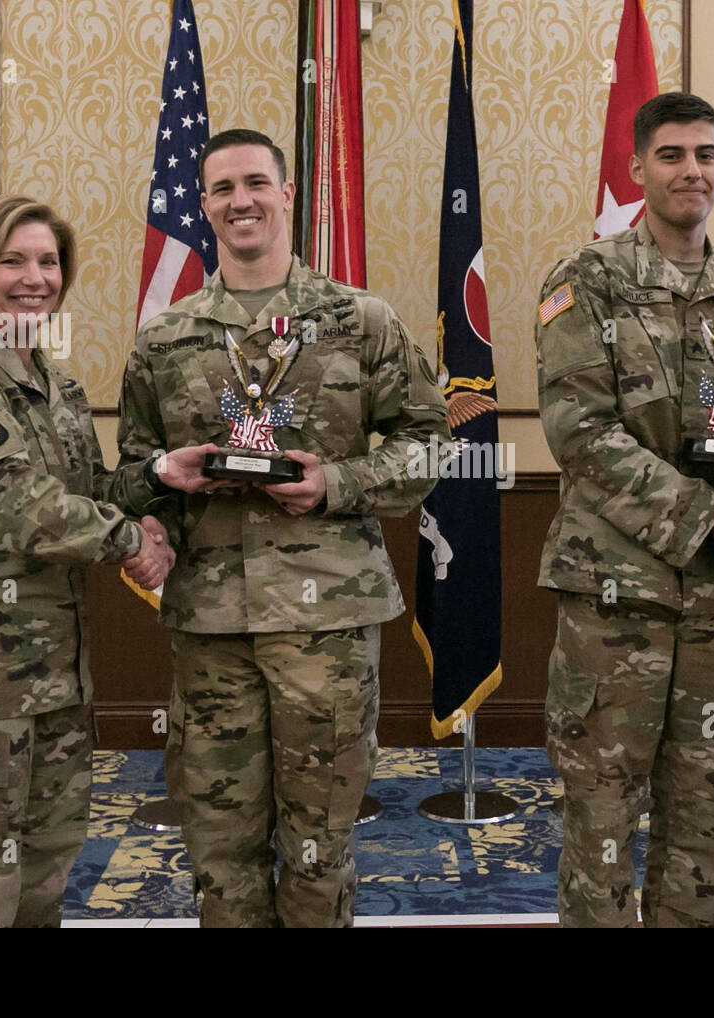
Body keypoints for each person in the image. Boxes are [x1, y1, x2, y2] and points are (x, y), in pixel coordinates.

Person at [115, 128, 449, 928]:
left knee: (319, 844)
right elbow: (130, 470)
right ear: (203, 206)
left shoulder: (361, 320)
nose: (242, 201)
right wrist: (162, 492)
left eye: (257, 183)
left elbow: (431, 443)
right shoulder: (166, 338)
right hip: (213, 625)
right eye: (223, 189)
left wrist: (337, 482)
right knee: (219, 844)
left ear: (288, 194)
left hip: (327, 626)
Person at [0, 195, 219, 927]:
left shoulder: (54, 385)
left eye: (48, 261)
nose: (34, 277)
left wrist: (161, 474)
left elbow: (84, 493)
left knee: (42, 871)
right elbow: (11, 504)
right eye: (12, 260)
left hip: (55, 679)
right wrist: (132, 541)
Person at [534, 93, 714, 927]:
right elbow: (581, 433)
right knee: (604, 810)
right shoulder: (587, 281)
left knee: (706, 806)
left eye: (707, 154)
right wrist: (708, 518)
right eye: (673, 155)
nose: (693, 170)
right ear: (638, 168)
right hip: (618, 598)